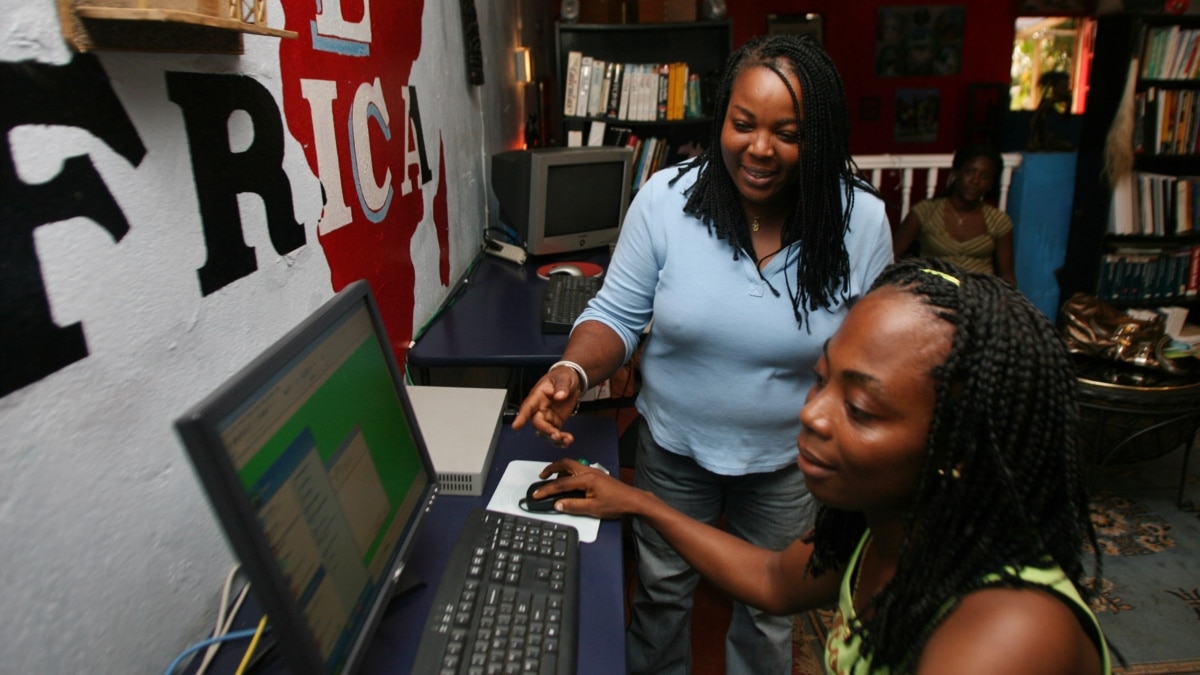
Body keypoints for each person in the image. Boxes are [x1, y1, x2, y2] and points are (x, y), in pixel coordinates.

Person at [513, 33, 893, 675]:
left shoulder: (860, 223)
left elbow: (872, 356)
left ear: (820, 137)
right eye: (742, 125)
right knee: (661, 596)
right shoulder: (667, 200)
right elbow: (614, 313)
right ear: (722, 120)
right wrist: (571, 370)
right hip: (675, 447)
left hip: (788, 461)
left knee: (768, 613)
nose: (760, 149)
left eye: (788, 132)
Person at [529, 258, 1112, 675]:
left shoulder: (1010, 635)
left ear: (959, 451)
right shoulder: (880, 526)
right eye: (820, 379)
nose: (812, 415)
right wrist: (636, 500)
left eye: (859, 408)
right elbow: (774, 580)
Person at [892, 144, 1017, 285]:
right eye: (970, 172)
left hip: (980, 296)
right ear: (956, 173)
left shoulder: (999, 221)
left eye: (985, 176)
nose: (975, 181)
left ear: (990, 183)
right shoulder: (925, 212)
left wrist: (1006, 300)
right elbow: (893, 256)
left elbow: (1007, 274)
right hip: (933, 291)